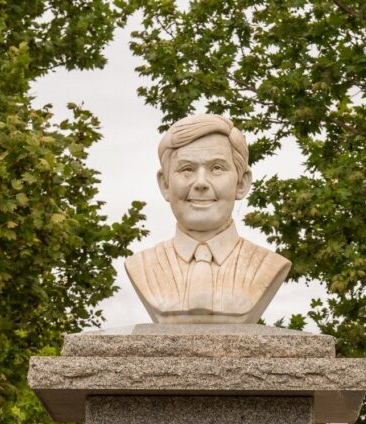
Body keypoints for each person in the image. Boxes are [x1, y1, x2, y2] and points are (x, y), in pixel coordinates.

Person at [123, 112, 291, 326]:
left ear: (241, 183)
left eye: (217, 168)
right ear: (165, 184)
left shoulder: (269, 266)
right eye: (187, 169)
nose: (200, 182)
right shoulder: (142, 267)